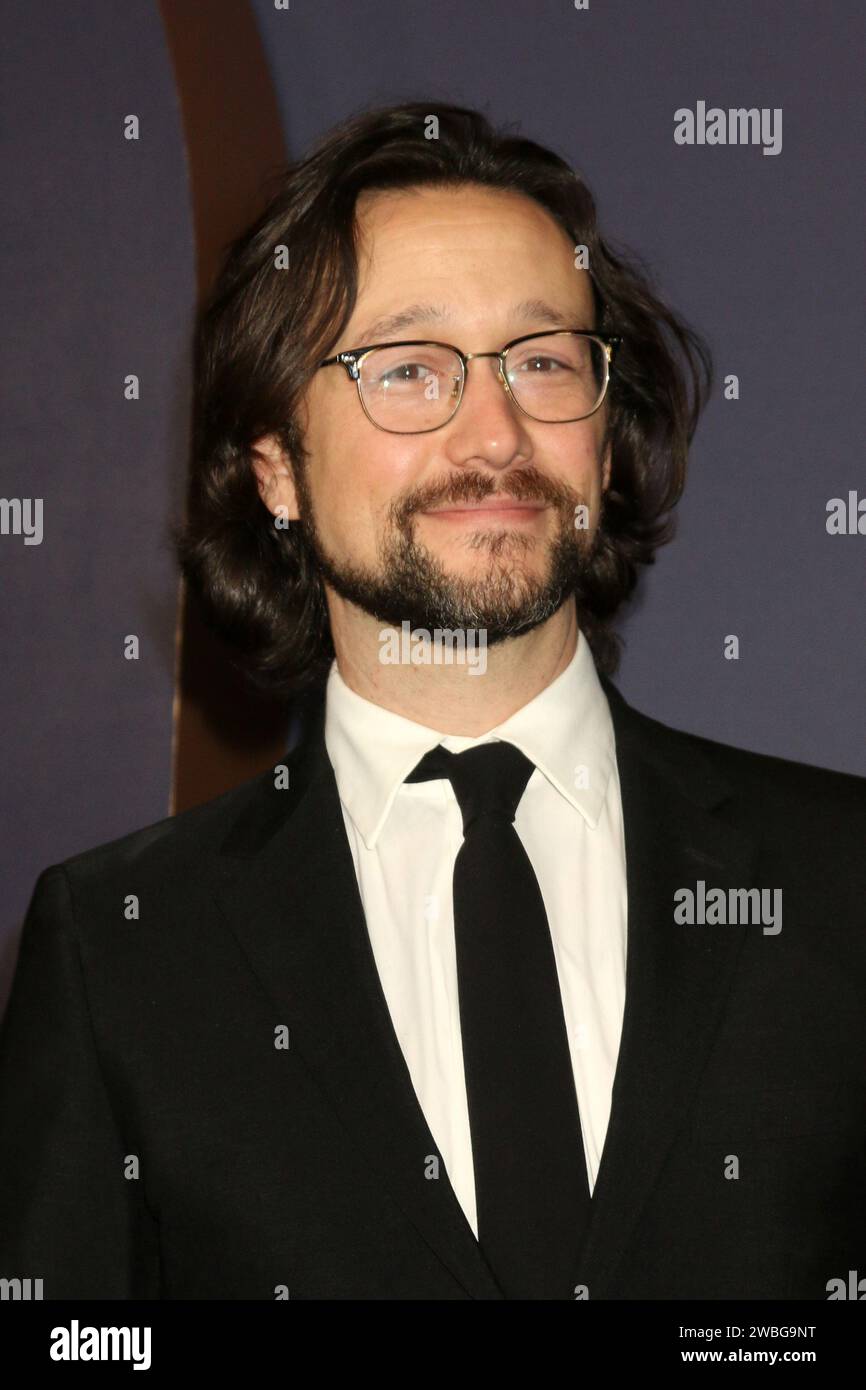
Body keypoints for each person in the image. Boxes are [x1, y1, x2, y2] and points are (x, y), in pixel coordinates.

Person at [1, 101, 863, 1302]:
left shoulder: (840, 883)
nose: (494, 430)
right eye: (408, 368)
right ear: (276, 467)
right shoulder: (122, 949)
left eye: (543, 361)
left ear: (605, 449)